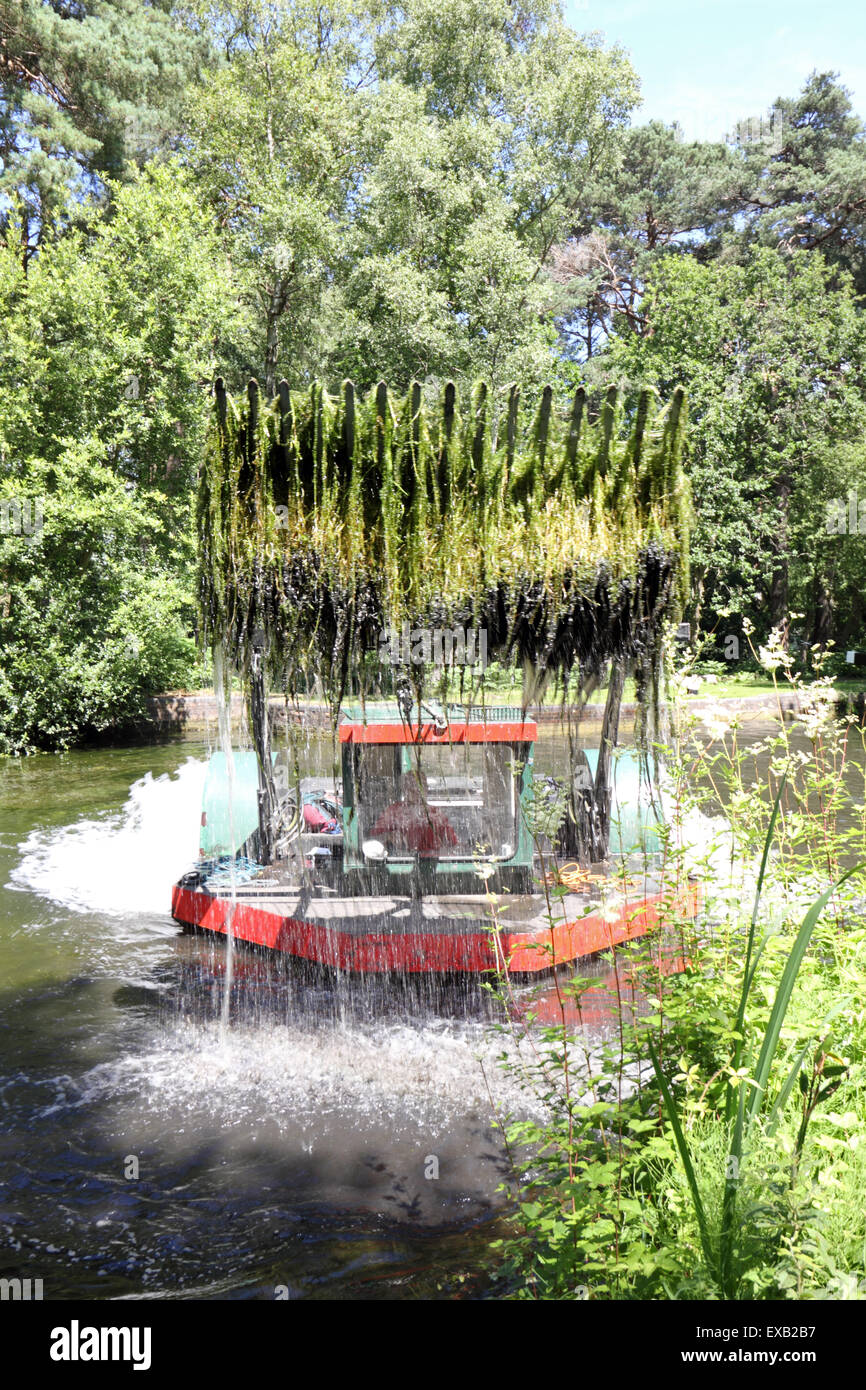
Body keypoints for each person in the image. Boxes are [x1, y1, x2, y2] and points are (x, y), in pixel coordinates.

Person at [372, 770, 457, 856]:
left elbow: (452, 844)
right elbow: (374, 841)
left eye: (422, 786)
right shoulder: (393, 811)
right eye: (413, 786)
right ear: (405, 789)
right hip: (403, 862)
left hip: (432, 861)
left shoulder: (436, 813)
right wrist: (388, 838)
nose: (417, 790)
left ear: (426, 788)